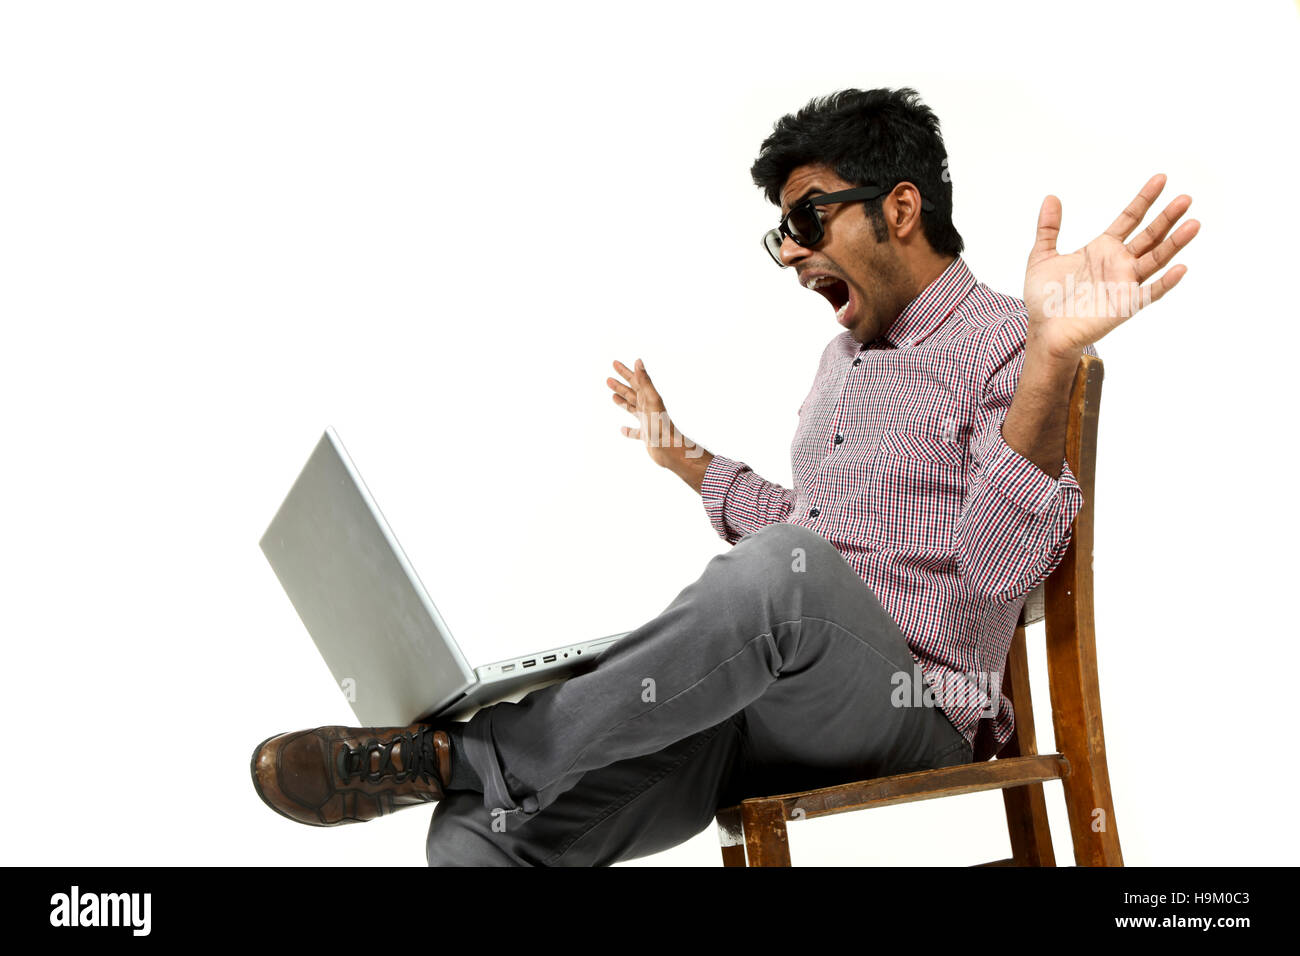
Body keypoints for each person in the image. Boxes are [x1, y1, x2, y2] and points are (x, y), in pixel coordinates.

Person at [250, 87, 1198, 866]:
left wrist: (1049, 357)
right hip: (765, 710)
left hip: (914, 700)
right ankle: (477, 774)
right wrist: (686, 457)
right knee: (477, 834)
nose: (790, 251)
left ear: (899, 209)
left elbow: (995, 571)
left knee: (784, 571)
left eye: (807, 218)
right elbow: (806, 549)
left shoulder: (1009, 342)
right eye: (779, 231)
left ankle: (475, 752)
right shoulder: (840, 365)